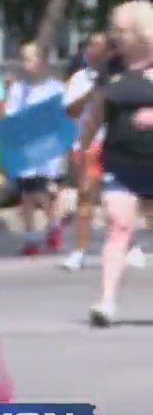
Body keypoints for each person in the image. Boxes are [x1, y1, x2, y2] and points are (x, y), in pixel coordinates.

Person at [80, 1, 153, 326]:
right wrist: (84, 144)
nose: (116, 37)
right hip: (121, 161)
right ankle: (106, 302)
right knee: (119, 227)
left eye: (121, 30)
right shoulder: (110, 68)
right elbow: (98, 108)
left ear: (141, 32)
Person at [4, 42, 67, 255]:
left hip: (48, 151)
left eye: (30, 59)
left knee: (45, 194)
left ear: (42, 62)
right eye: (23, 59)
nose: (26, 64)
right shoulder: (18, 89)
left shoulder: (55, 88)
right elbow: (11, 116)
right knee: (27, 195)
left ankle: (54, 225)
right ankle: (31, 237)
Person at [61, 32, 117, 271]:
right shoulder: (80, 78)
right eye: (89, 46)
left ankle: (125, 245)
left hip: (116, 143)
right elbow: (71, 112)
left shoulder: (121, 78)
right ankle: (79, 251)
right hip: (87, 145)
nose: (91, 50)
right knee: (85, 196)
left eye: (98, 46)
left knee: (119, 199)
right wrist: (92, 92)